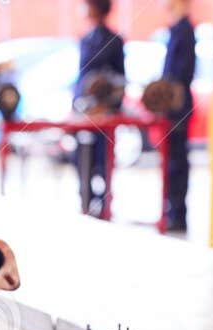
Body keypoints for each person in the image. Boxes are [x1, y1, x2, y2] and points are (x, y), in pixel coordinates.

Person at [74, 0, 127, 213]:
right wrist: (78, 105)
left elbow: (121, 78)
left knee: (103, 159)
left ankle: (104, 206)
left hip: (105, 114)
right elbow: (81, 76)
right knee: (81, 159)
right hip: (85, 113)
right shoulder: (85, 39)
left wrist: (109, 104)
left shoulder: (115, 40)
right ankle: (85, 203)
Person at [160, 0, 196, 232]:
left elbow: (181, 74)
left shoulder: (185, 30)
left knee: (178, 162)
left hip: (179, 108)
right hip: (171, 107)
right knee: (172, 161)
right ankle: (172, 210)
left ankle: (178, 214)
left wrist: (168, 96)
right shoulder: (175, 29)